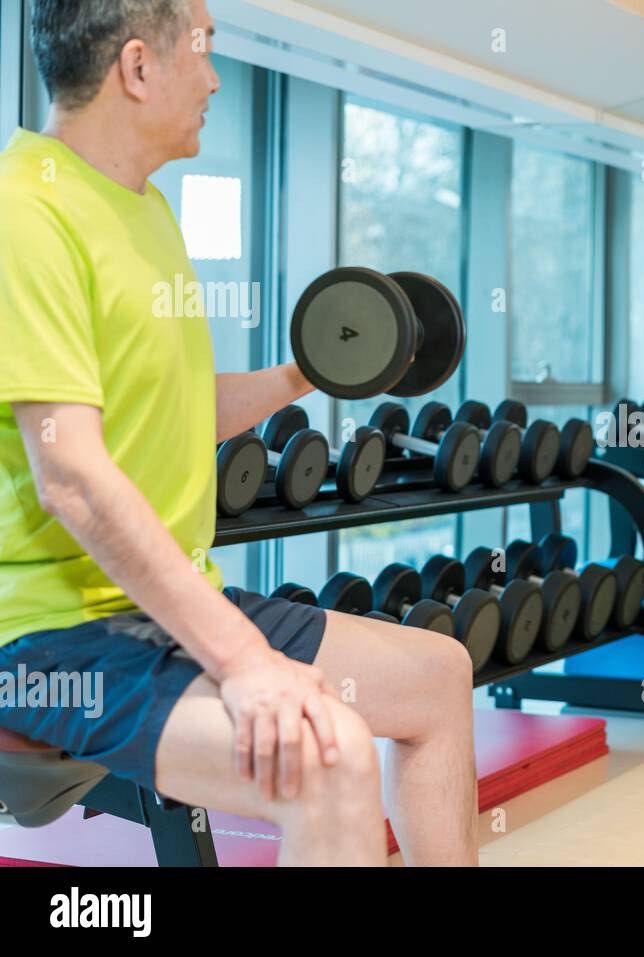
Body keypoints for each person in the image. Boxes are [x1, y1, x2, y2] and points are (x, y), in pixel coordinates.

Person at [0, 0, 477, 865]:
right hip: (46, 635)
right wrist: (247, 659)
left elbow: (183, 408)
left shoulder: (147, 213)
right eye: (204, 52)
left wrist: (312, 370)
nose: (216, 78)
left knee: (440, 677)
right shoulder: (24, 215)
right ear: (139, 68)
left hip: (170, 605)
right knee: (325, 757)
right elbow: (70, 476)